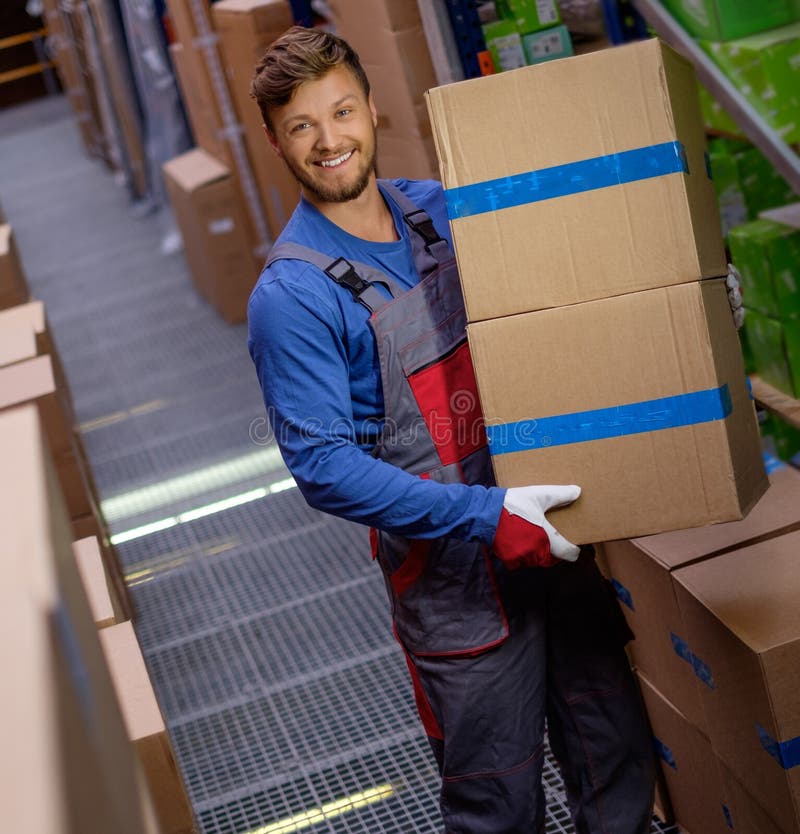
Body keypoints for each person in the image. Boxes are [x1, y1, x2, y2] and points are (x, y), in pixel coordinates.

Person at [247, 26, 742, 833]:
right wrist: (487, 515)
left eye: (341, 112)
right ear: (274, 140)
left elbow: (572, 289)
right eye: (303, 126)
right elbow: (323, 467)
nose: (329, 141)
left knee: (615, 761)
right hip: (456, 593)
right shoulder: (293, 297)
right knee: (497, 809)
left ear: (373, 109)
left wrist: (695, 308)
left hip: (559, 537)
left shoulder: (444, 212)